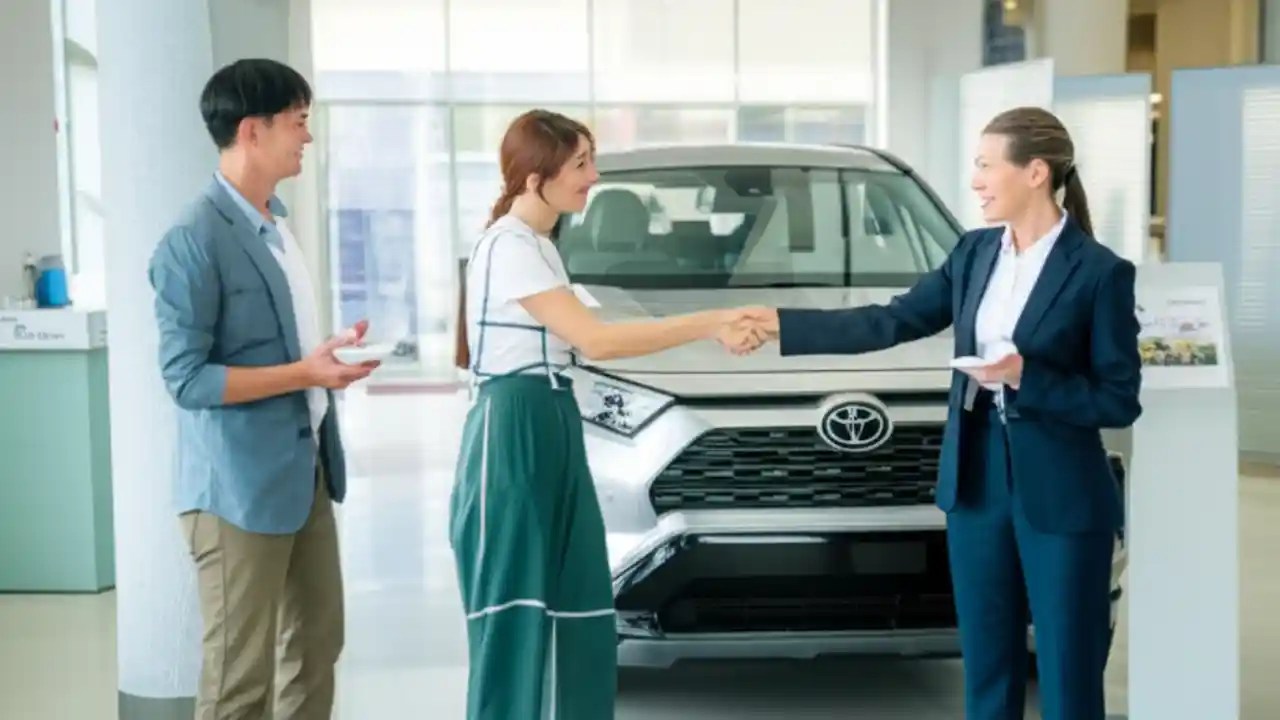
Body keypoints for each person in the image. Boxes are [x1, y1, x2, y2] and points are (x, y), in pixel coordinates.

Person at [732, 107, 1142, 720]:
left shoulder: (1100, 272)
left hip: (1062, 494)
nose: (975, 180)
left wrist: (1027, 377)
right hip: (976, 483)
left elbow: (1117, 398)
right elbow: (891, 320)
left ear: (1035, 172)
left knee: (1068, 673)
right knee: (986, 665)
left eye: (984, 165)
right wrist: (781, 326)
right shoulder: (974, 253)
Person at [450, 109, 754, 719]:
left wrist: (714, 325)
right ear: (537, 178)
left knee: (577, 607)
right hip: (515, 435)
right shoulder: (510, 247)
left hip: (552, 425)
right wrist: (713, 321)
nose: (594, 177)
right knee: (515, 618)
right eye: (581, 164)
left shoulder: (539, 247)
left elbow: (600, 336)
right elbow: (599, 342)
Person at [149, 58, 378, 719]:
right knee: (239, 680)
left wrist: (321, 357)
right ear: (253, 130)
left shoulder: (275, 223)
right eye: (300, 122)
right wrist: (306, 374)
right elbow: (186, 379)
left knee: (315, 646)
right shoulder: (192, 240)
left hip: (302, 472)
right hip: (236, 491)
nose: (308, 137)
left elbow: (276, 348)